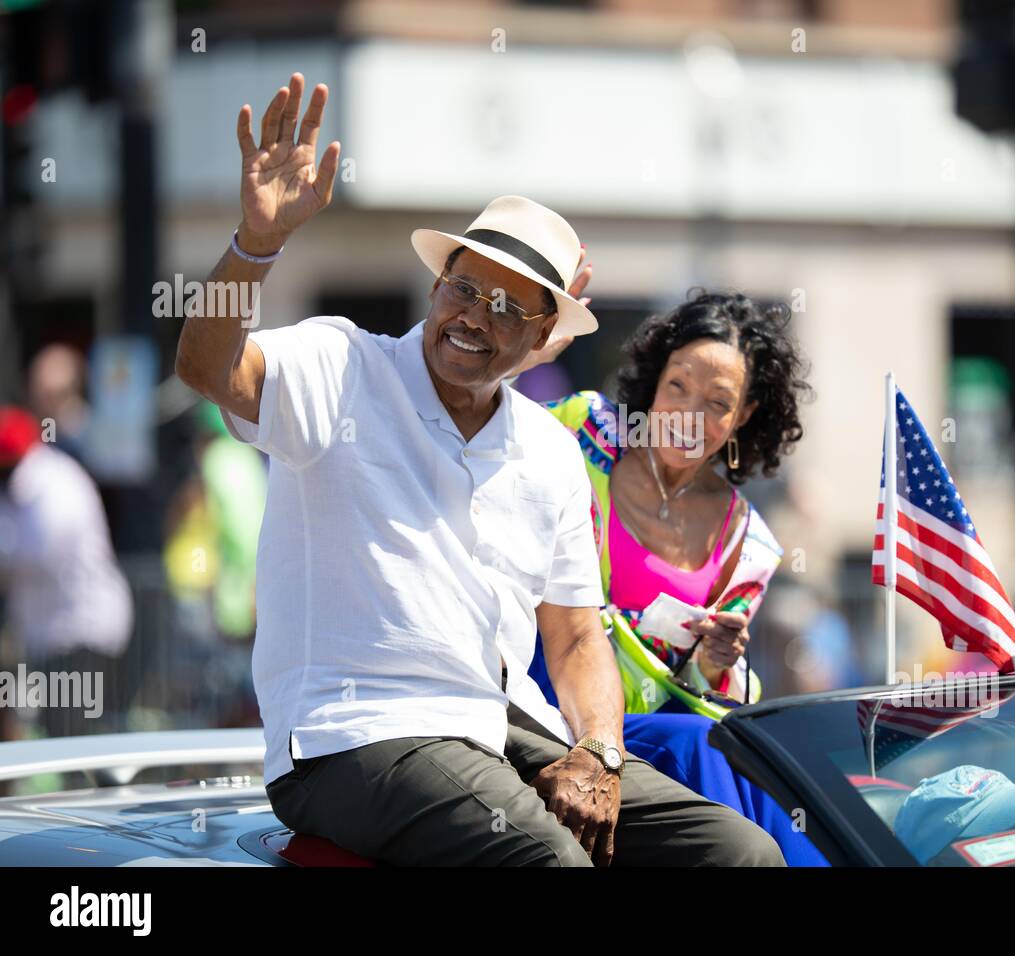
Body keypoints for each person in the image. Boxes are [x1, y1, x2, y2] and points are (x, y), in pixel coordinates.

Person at [174, 72, 783, 866]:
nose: (474, 316)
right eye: (465, 288)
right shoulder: (342, 364)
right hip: (351, 739)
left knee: (739, 853)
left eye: (509, 308)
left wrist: (598, 753)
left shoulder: (546, 449)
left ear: (541, 340)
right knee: (547, 860)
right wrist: (256, 243)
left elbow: (573, 638)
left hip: (497, 731)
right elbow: (205, 366)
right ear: (437, 285)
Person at [519, 291, 826, 864]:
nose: (689, 415)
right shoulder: (580, 429)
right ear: (655, 378)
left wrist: (714, 663)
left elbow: (692, 696)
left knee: (758, 756)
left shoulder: (748, 542)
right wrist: (533, 353)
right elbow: (483, 432)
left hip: (647, 733)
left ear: (746, 416)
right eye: (678, 386)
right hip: (543, 695)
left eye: (717, 402)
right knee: (707, 746)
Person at [0, 406, 133, 739]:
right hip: (47, 635)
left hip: (82, 632)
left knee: (73, 733)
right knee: (52, 727)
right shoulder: (21, 486)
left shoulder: (54, 482)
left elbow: (40, 553)